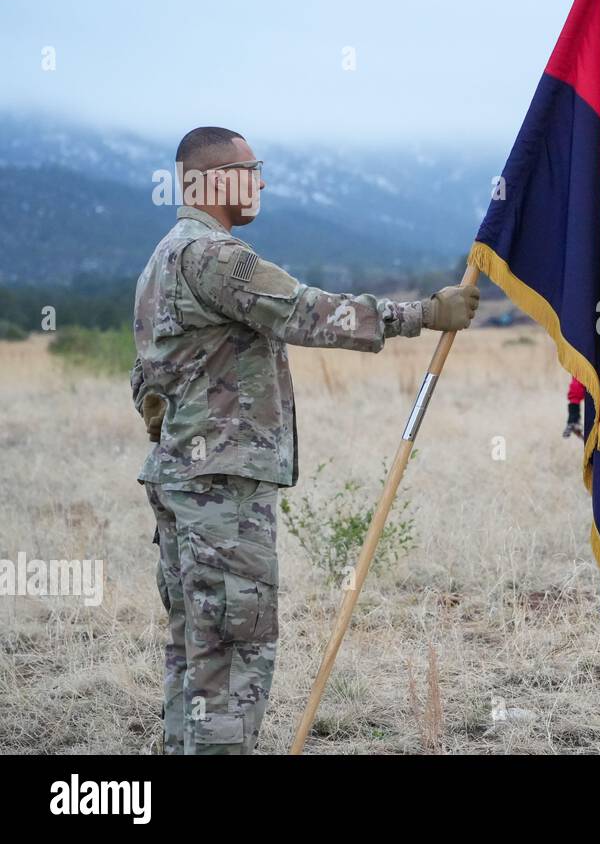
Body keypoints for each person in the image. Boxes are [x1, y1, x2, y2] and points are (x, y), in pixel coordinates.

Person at [131, 126, 479, 754]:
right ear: (213, 181)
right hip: (222, 493)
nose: (260, 181)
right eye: (251, 168)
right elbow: (306, 312)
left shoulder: (160, 259)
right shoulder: (217, 257)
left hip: (183, 483)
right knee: (234, 654)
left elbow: (146, 382)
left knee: (194, 651)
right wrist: (423, 315)